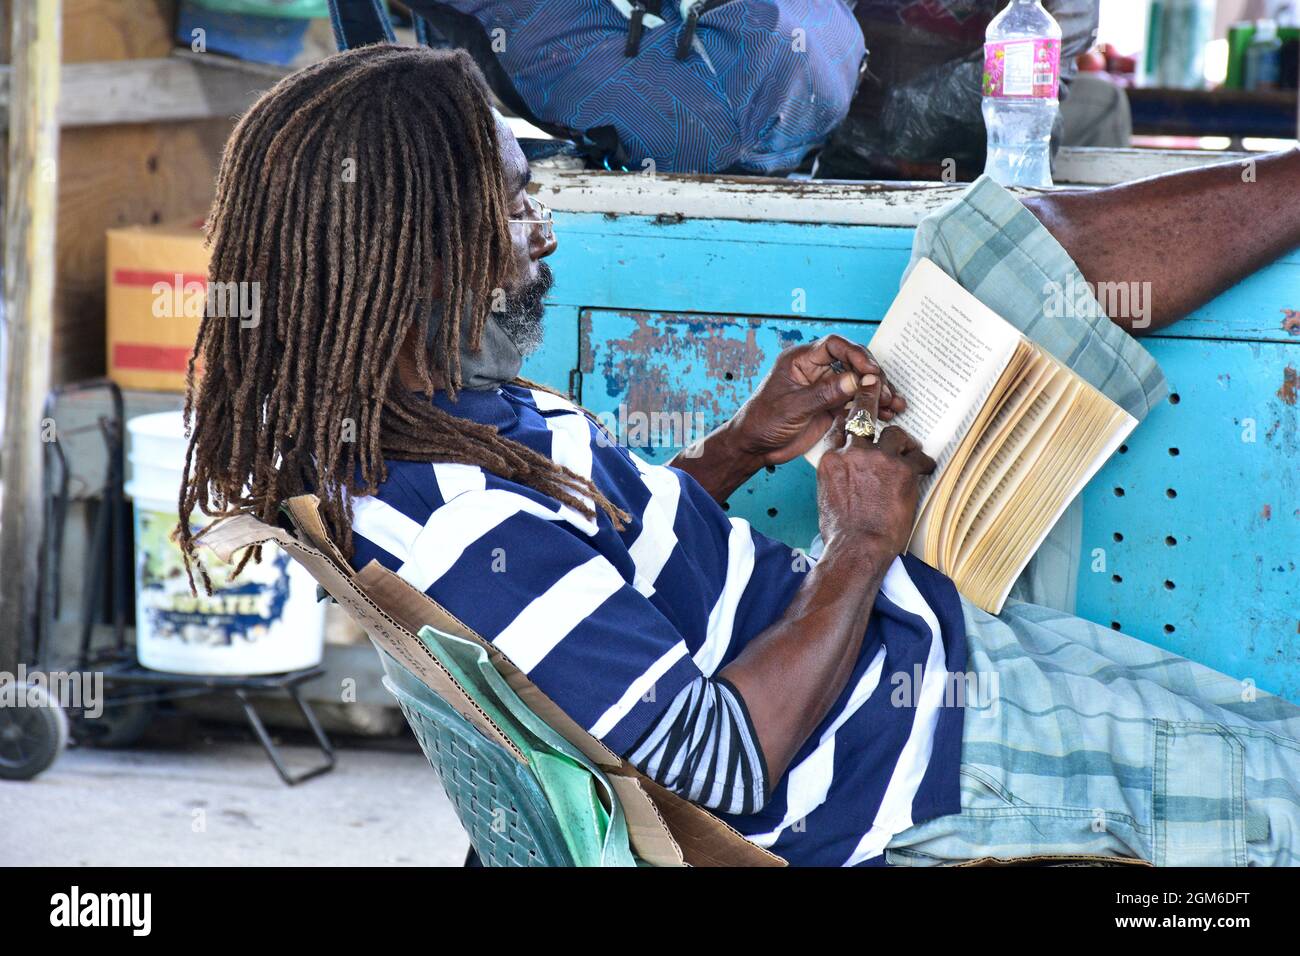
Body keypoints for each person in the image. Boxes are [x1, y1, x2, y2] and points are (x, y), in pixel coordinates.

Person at [179, 44, 1300, 866]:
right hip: (915, 769)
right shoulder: (461, 520)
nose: (545, 229)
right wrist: (861, 539)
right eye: (517, 209)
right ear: (419, 248)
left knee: (1268, 735)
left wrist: (737, 447)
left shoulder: (420, 428)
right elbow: (718, 763)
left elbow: (595, 584)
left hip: (910, 669)